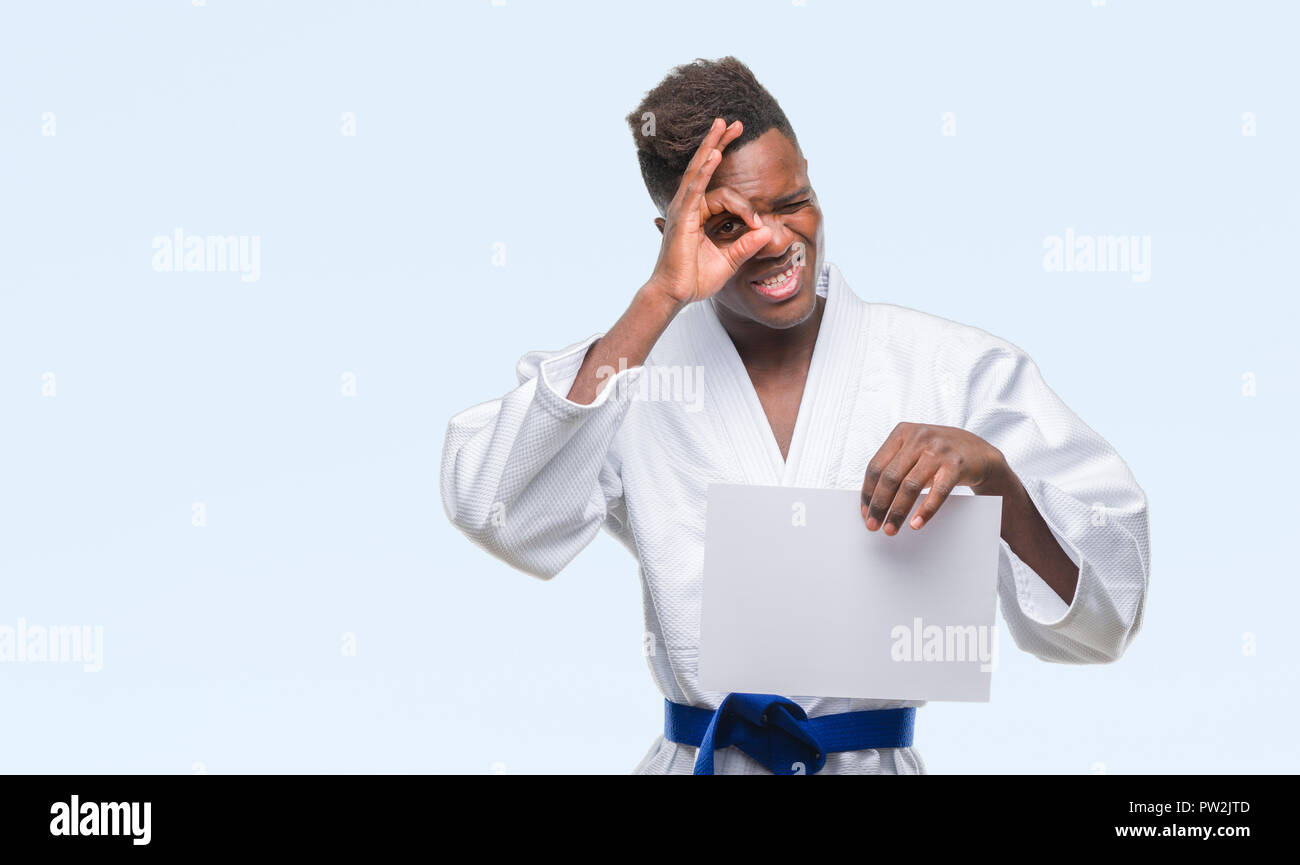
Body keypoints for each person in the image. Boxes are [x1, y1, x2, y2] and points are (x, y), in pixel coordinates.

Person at [440, 56, 1150, 775]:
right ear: (672, 231)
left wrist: (994, 476)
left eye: (792, 203)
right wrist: (660, 297)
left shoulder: (950, 367)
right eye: (727, 226)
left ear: (812, 177)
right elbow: (498, 510)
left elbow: (1105, 619)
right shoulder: (633, 379)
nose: (775, 240)